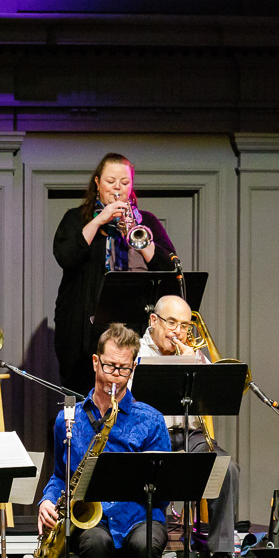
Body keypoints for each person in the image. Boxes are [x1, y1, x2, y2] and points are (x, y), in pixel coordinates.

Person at [37, 323, 171, 558]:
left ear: (133, 367)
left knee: (146, 546)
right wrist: (47, 501)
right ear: (96, 362)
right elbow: (58, 475)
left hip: (140, 515)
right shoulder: (68, 420)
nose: (115, 376)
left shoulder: (151, 420)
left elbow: (165, 487)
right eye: (110, 366)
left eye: (124, 368)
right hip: (93, 520)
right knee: (94, 545)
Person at [52, 153, 179, 393]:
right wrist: (100, 219)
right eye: (111, 182)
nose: (117, 188)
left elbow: (171, 270)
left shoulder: (147, 222)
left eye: (124, 182)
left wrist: (139, 238)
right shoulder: (76, 218)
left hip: (134, 326)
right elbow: (66, 256)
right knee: (84, 394)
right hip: (84, 329)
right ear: (97, 183)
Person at [137, 293, 244, 558]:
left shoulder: (193, 353)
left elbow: (219, 391)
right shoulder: (137, 352)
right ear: (153, 321)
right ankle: (143, 550)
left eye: (184, 325)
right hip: (148, 437)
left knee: (227, 467)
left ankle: (222, 552)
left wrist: (194, 362)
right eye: (171, 323)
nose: (178, 332)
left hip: (190, 435)